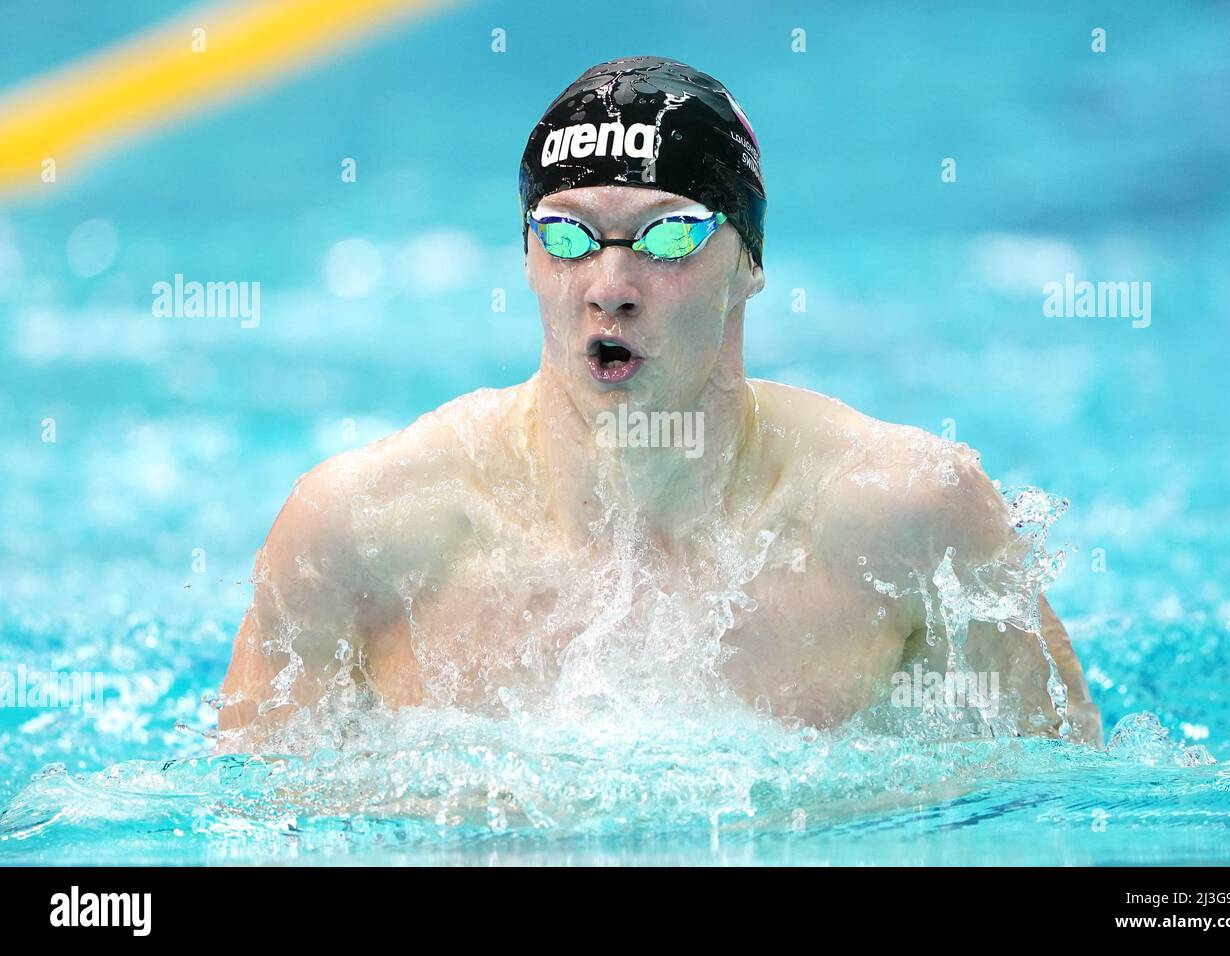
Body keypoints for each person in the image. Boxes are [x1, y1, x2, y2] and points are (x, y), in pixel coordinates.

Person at [216, 56, 1102, 751]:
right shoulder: (358, 534)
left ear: (750, 262)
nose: (610, 287)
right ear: (525, 259)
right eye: (565, 234)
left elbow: (1058, 807)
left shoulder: (908, 518)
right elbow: (241, 827)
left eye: (669, 234)